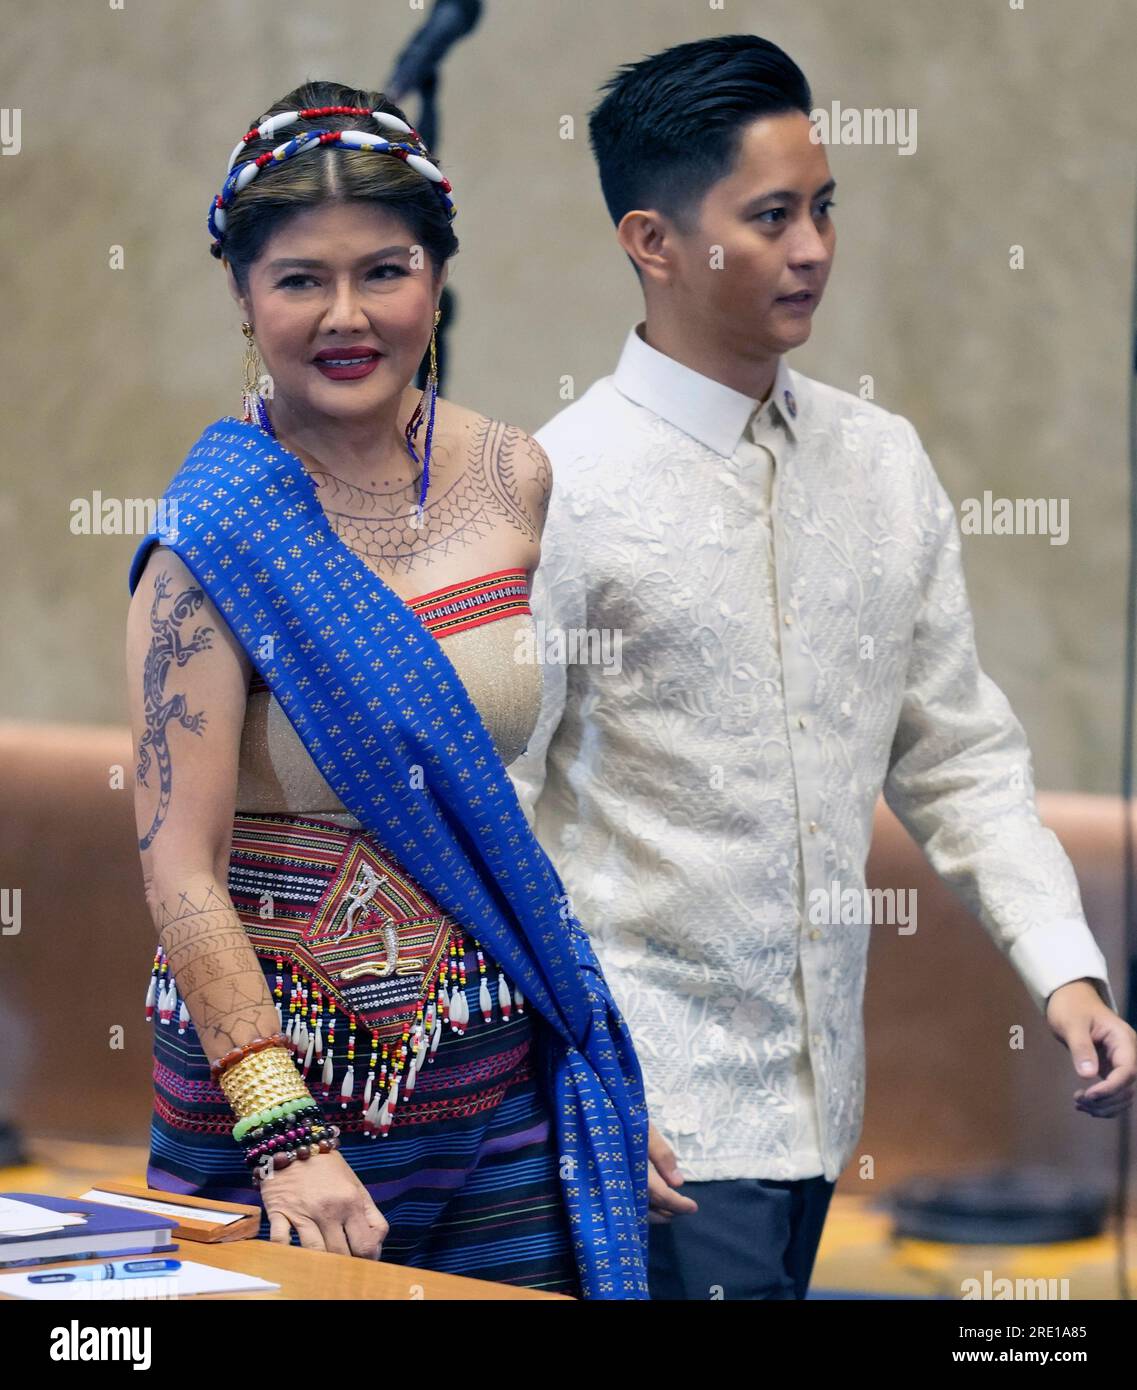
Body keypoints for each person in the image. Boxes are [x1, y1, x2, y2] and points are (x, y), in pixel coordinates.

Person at [506, 34, 1136, 1300]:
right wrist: (564, 1088)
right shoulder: (555, 485)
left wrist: (1065, 970)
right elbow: (495, 817)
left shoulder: (884, 463)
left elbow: (958, 753)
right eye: (773, 215)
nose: (812, 249)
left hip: (823, 1111)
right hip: (655, 1121)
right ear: (653, 239)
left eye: (826, 207)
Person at [124, 80, 650, 1299]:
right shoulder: (216, 534)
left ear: (439, 275)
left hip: (500, 1078)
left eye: (386, 270)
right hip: (275, 1108)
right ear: (244, 298)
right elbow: (177, 867)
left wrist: (595, 1075)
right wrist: (287, 1137)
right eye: (301, 278)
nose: (346, 315)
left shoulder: (518, 474)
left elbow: (501, 798)